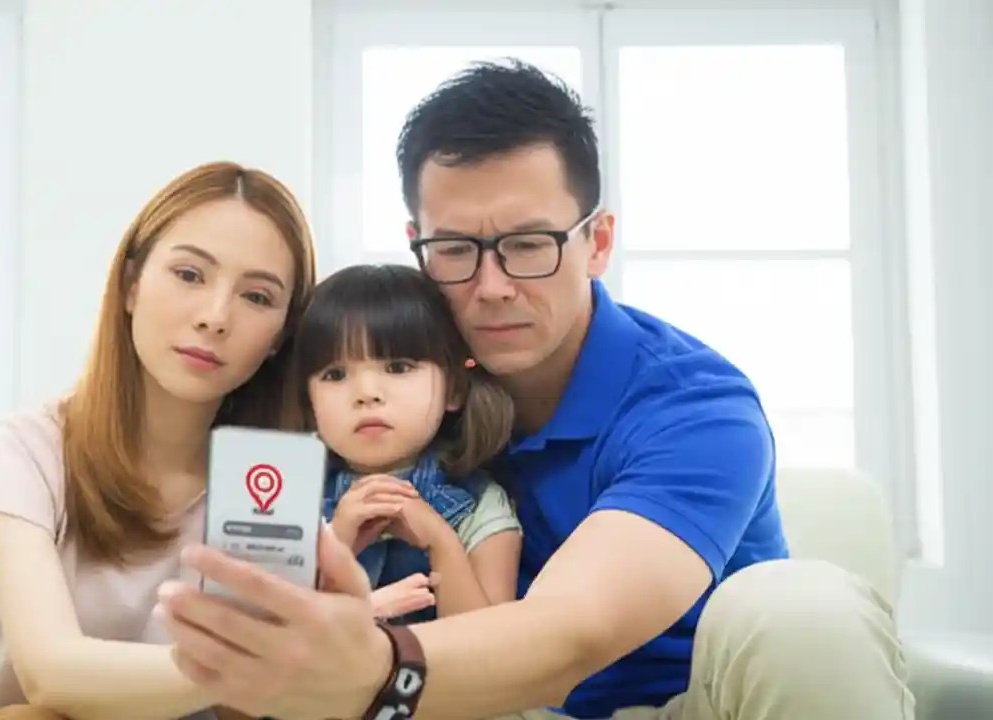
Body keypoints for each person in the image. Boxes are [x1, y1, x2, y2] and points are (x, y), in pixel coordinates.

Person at [154, 60, 916, 719]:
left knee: (804, 608)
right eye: (455, 249)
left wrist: (370, 663)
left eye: (528, 245)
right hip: (479, 706)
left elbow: (572, 631)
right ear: (417, 245)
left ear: (598, 242)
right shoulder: (397, 397)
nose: (491, 288)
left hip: (683, 705)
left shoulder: (695, 406)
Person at [0, 160, 317, 720]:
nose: (215, 317)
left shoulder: (269, 486)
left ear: (280, 336)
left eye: (256, 297)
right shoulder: (29, 448)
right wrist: (261, 667)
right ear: (132, 285)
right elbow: (51, 675)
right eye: (189, 275)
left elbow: (245, 713)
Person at [295, 264, 521, 623]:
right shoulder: (290, 502)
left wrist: (441, 543)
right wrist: (337, 544)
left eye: (398, 368)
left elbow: (494, 653)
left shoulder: (481, 505)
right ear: (308, 404)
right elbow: (277, 645)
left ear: (455, 389)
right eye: (335, 375)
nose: (366, 394)